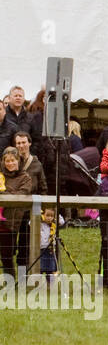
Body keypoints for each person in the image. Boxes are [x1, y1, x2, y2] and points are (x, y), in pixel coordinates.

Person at [0, 147, 35, 277]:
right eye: (7, 161)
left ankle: (11, 282)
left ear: (18, 161)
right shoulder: (0, 175)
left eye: (13, 160)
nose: (10, 164)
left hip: (12, 221)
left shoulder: (25, 177)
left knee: (7, 255)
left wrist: (4, 192)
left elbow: (23, 193)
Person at [0, 85, 43, 156]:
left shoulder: (31, 117)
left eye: (20, 96)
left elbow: (37, 140)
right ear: (10, 98)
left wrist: (29, 155)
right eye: (15, 96)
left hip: (26, 157)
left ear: (24, 99)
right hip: (7, 159)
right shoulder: (3, 115)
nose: (18, 98)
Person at [37, 205, 58, 278]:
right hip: (41, 248)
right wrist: (40, 217)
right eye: (47, 215)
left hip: (50, 249)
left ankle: (50, 285)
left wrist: (56, 215)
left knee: (50, 268)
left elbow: (62, 221)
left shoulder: (53, 225)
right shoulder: (40, 224)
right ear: (43, 215)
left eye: (52, 216)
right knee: (40, 268)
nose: (49, 218)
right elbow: (30, 223)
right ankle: (37, 284)